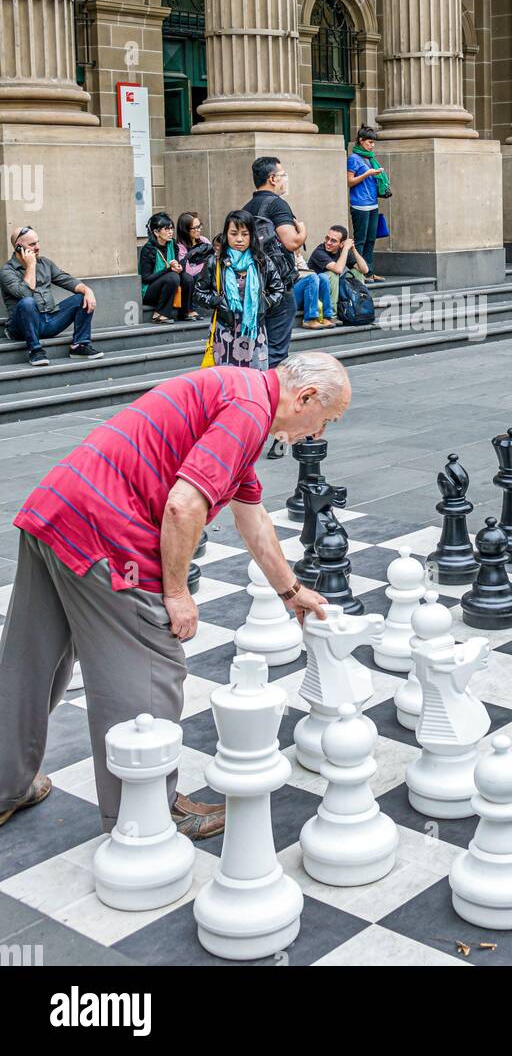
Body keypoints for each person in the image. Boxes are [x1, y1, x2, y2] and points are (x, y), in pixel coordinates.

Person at [0, 353, 350, 838]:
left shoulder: (241, 392)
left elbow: (253, 519)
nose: (318, 435)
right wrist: (177, 592)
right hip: (107, 530)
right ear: (306, 397)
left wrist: (290, 591)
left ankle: (4, 785)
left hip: (57, 506)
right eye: (326, 421)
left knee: (31, 661)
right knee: (151, 665)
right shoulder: (249, 412)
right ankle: (144, 815)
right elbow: (184, 505)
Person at [242, 158, 307, 456]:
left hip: (253, 291)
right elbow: (291, 242)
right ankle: (277, 426)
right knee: (278, 356)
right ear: (271, 178)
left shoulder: (246, 208)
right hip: (278, 290)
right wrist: (302, 230)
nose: (284, 179)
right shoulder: (277, 205)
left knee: (258, 353)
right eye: (282, 174)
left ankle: (253, 420)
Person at [0, 227, 103, 367]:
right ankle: (35, 351)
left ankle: (80, 346)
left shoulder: (45, 264)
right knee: (28, 302)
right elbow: (25, 293)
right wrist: (31, 265)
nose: (38, 247)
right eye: (32, 245)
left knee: (81, 297)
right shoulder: (7, 271)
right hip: (21, 328)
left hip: (49, 321)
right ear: (18, 247)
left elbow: (68, 280)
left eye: (38, 242)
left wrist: (87, 290)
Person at [194, 210, 284, 369]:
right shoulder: (215, 262)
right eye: (233, 233)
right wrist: (216, 301)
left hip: (254, 331)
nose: (239, 239)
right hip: (225, 330)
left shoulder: (262, 261)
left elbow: (278, 289)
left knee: (253, 381)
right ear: (226, 234)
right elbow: (198, 293)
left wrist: (265, 302)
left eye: (245, 234)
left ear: (252, 235)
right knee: (226, 381)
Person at [347, 127, 388, 281]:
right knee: (360, 240)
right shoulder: (353, 158)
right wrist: (367, 174)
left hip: (372, 204)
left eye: (373, 142)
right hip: (359, 205)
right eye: (370, 142)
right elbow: (350, 182)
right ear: (361, 141)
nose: (373, 145)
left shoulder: (370, 158)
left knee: (371, 239)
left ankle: (369, 272)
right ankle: (359, 273)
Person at [139, 212, 196, 323]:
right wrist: (169, 270)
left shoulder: (172, 244)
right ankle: (160, 314)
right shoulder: (148, 250)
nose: (171, 232)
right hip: (149, 291)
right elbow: (145, 278)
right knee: (172, 277)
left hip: (169, 284)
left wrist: (179, 267)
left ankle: (185, 311)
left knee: (187, 278)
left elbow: (175, 265)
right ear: (156, 232)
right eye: (166, 229)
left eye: (171, 229)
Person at [309, 225, 369, 316]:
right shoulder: (319, 252)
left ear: (341, 244)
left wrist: (353, 249)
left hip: (335, 290)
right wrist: (345, 248)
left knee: (357, 272)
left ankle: (359, 307)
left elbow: (365, 270)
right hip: (317, 294)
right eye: (327, 238)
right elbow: (338, 269)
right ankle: (332, 314)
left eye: (333, 241)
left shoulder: (343, 251)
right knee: (332, 274)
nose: (328, 242)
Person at [176, 211, 211, 316]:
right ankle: (189, 308)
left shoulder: (203, 241)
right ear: (185, 230)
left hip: (206, 275)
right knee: (189, 278)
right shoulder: (180, 247)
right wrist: (205, 265)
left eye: (199, 226)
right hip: (191, 278)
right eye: (195, 228)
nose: (198, 230)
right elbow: (188, 271)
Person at [292, 249, 336, 331]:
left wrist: (298, 255)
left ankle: (326, 316)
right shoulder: (280, 251)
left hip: (301, 290)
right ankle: (309, 319)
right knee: (312, 277)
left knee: (323, 277)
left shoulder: (294, 252)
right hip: (289, 295)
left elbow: (305, 270)